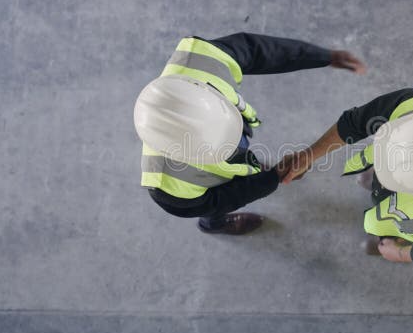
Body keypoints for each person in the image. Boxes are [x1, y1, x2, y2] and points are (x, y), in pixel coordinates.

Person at [134, 33, 366, 235]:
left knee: (241, 166)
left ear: (206, 92)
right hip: (205, 191)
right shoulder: (168, 187)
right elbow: (219, 200)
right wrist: (271, 178)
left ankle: (245, 166)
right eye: (226, 148)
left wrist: (322, 56)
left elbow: (260, 51)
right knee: (217, 208)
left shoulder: (200, 60)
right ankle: (214, 226)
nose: (234, 142)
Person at [278, 82, 413, 267]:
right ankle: (377, 189)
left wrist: (400, 253)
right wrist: (308, 156)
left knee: (388, 225)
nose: (384, 166)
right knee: (377, 184)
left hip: (412, 218)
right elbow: (354, 123)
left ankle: (388, 237)